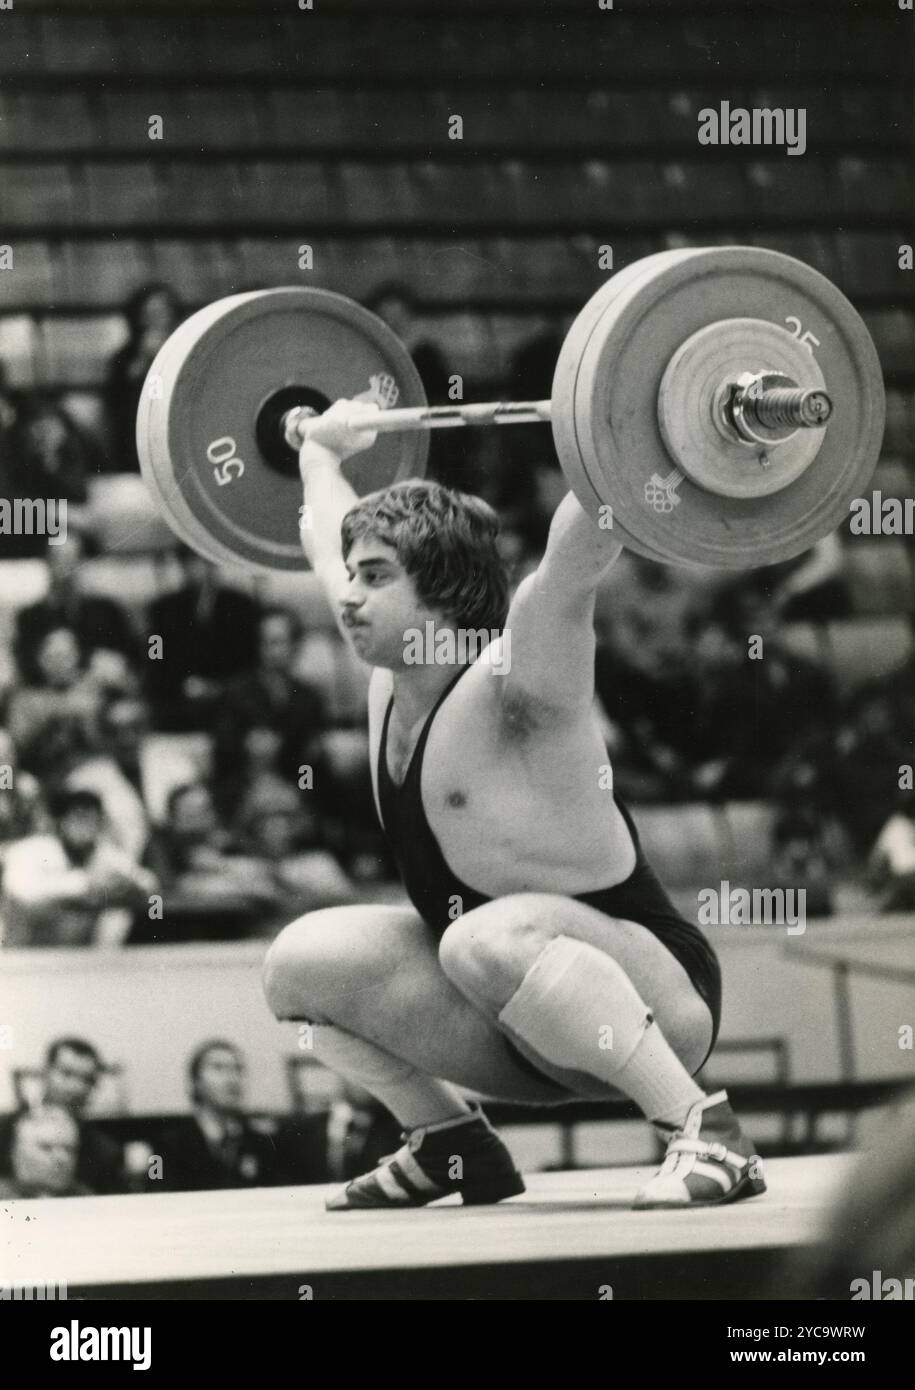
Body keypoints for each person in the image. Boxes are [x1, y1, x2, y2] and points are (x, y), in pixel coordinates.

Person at [262, 400, 765, 1211]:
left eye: (376, 576)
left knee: (481, 936)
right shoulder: (392, 677)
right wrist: (320, 456)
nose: (348, 595)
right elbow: (323, 535)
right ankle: (450, 1144)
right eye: (354, 575)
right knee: (297, 962)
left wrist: (636, 424)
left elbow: (573, 561)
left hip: (656, 1001)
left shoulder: (520, 682)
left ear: (444, 588)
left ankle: (705, 1129)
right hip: (513, 1025)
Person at [1, 787, 157, 947]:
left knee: (116, 916)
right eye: (79, 818)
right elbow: (20, 890)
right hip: (24, 945)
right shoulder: (33, 848)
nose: (86, 828)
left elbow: (148, 882)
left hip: (73, 947)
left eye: (93, 820)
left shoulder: (104, 853)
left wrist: (123, 885)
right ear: (61, 821)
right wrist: (85, 883)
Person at [144, 545, 261, 730]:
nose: (198, 568)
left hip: (228, 697)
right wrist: (182, 685)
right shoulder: (161, 610)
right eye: (191, 560)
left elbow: (250, 659)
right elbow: (154, 654)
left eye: (205, 561)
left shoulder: (240, 606)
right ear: (182, 564)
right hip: (179, 697)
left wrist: (219, 688)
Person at [156, 1040, 286, 1191]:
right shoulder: (168, 1145)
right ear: (196, 1082)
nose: (232, 1079)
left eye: (238, 1069)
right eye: (218, 1068)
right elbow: (156, 1197)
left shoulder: (263, 1143)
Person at [0, 1038, 124, 1194]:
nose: (76, 1087)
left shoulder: (103, 1150)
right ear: (45, 1072)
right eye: (67, 1073)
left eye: (87, 1079)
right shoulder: (4, 1130)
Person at [14, 530, 138, 685]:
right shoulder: (30, 616)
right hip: (49, 693)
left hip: (99, 690)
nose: (66, 568)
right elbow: (25, 665)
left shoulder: (106, 610)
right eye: (58, 559)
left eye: (72, 559)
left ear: (83, 563)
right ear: (47, 562)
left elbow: (130, 657)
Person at [106, 283, 182, 472]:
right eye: (150, 314)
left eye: (162, 313)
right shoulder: (124, 356)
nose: (157, 320)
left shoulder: (183, 346)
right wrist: (144, 359)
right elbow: (117, 398)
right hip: (139, 429)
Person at [0, 1106, 90, 1199]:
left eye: (69, 1149)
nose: (62, 1159)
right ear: (15, 1154)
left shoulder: (88, 1199)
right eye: (47, 1148)